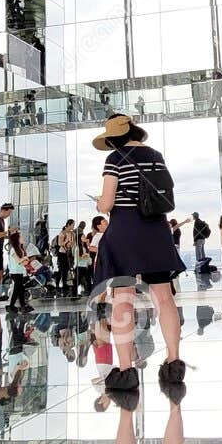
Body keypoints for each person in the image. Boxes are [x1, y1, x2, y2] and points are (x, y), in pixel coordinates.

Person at [91, 114, 186, 389]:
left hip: (125, 232)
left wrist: (99, 204)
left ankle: (126, 371)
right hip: (156, 231)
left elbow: (108, 203)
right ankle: (174, 364)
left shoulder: (115, 159)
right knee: (165, 298)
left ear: (114, 137)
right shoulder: (156, 155)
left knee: (123, 300)